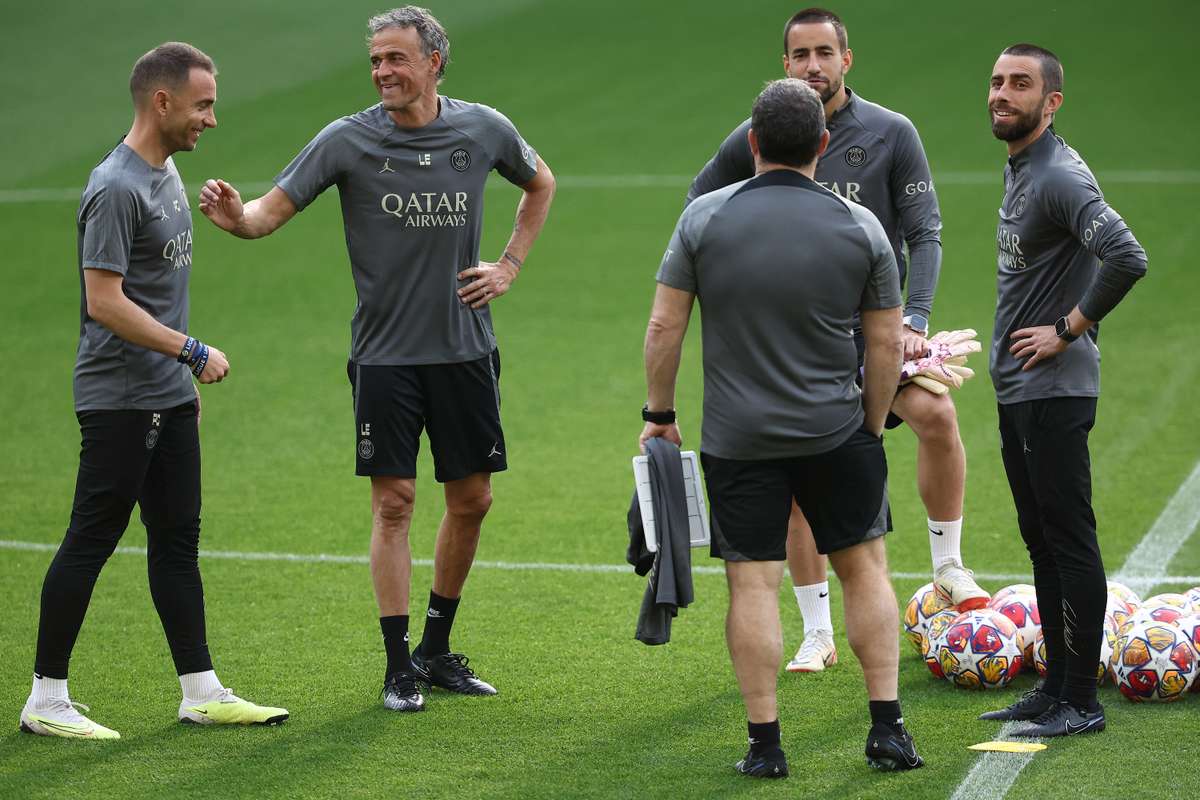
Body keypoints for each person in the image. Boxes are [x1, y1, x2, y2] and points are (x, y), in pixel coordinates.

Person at [197, 6, 555, 713]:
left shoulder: (483, 129)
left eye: (396, 58)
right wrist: (235, 217)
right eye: (375, 61)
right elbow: (266, 215)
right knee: (394, 504)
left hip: (465, 351)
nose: (383, 72)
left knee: (473, 500)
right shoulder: (347, 140)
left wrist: (509, 265)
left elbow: (541, 183)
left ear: (434, 63)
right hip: (386, 359)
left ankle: (436, 649)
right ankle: (398, 667)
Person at [687, 7, 987, 675]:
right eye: (800, 55)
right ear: (785, 64)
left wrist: (915, 320)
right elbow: (698, 207)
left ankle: (948, 567)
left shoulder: (890, 133)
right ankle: (817, 631)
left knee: (937, 414)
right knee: (796, 483)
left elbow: (925, 232)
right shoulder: (759, 136)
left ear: (847, 59)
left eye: (825, 52)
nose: (813, 65)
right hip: (799, 347)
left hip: (879, 338)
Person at [641, 78, 921, 776]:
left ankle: (765, 747)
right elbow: (885, 344)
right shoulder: (861, 229)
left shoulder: (703, 219)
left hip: (738, 442)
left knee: (754, 585)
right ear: (823, 146)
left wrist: (660, 416)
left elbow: (663, 325)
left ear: (753, 143)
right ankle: (886, 727)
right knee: (864, 570)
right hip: (838, 433)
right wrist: (871, 423)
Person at [20, 42, 288, 740]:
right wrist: (190, 352)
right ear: (161, 102)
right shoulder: (115, 186)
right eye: (203, 105)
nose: (213, 119)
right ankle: (45, 700)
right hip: (118, 395)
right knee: (92, 537)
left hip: (163, 392)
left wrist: (179, 379)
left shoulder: (164, 173)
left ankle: (200, 690)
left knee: (177, 540)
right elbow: (104, 301)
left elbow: (157, 292)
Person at [979, 44, 1146, 737]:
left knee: (1068, 540)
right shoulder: (1023, 169)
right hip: (1022, 391)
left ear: (1051, 103)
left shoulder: (1057, 176)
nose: (1001, 94)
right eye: (995, 82)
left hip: (1053, 389)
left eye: (1020, 84)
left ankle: (1081, 699)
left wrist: (1068, 328)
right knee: (1042, 540)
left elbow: (1127, 256)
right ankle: (1056, 687)